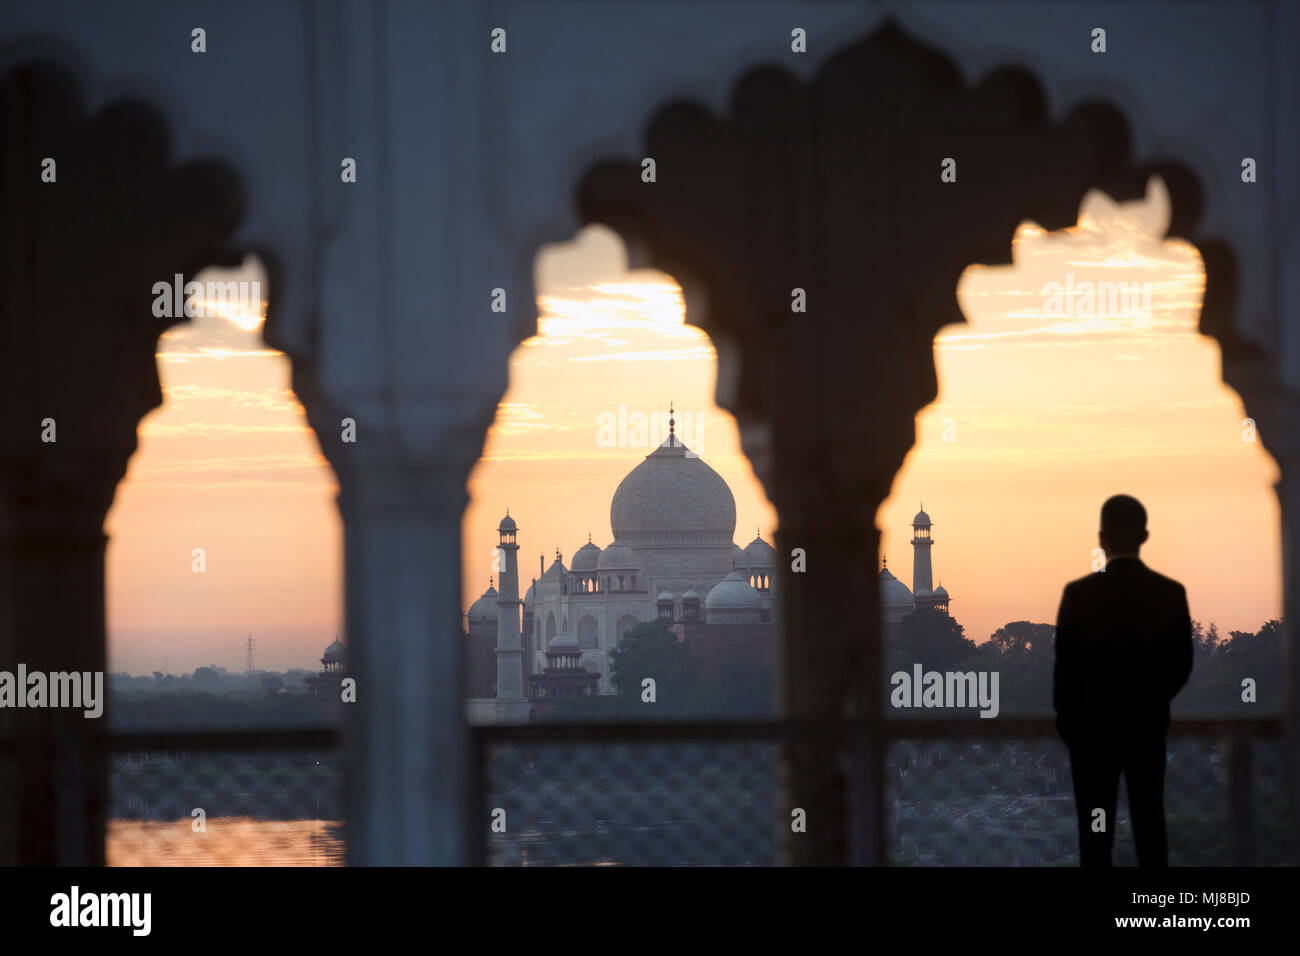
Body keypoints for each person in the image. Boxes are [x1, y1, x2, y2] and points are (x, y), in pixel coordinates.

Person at [1053, 494, 1193, 866]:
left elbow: (1065, 671)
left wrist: (1075, 727)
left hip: (1093, 736)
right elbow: (1180, 666)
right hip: (1145, 732)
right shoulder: (1168, 593)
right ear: (1144, 536)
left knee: (1096, 835)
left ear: (1101, 538)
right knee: (1149, 825)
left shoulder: (1080, 594)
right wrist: (1147, 702)